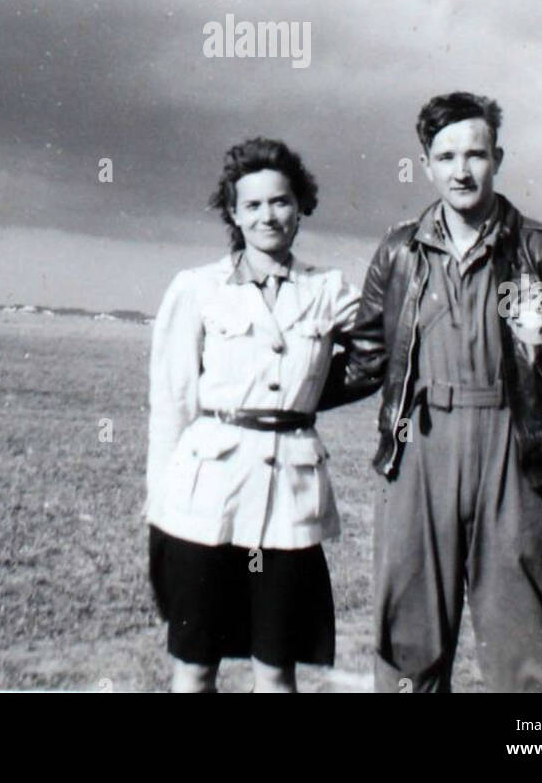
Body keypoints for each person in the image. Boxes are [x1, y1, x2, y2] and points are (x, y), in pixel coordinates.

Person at [334, 92, 542, 693]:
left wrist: (539, 386)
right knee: (408, 651)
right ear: (425, 165)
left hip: (513, 459)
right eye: (446, 157)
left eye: (476, 155)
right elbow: (365, 361)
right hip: (418, 449)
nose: (461, 171)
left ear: (498, 159)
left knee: (521, 656)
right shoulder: (398, 252)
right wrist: (284, 398)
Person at [146, 136, 366, 693]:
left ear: (300, 207)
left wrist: (309, 393)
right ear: (234, 213)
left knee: (276, 668)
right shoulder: (196, 288)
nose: (268, 216)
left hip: (289, 501)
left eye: (281, 201)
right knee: (195, 665)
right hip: (204, 502)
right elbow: (172, 403)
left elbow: (383, 346)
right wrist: (161, 507)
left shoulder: (328, 289)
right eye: (253, 204)